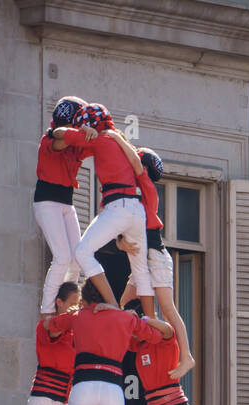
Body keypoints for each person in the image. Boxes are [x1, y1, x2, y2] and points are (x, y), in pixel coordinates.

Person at [54, 103, 152, 309]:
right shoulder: (118, 141)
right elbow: (137, 168)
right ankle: (151, 318)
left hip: (118, 206)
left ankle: (112, 304)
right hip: (136, 208)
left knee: (82, 251)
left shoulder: (98, 139)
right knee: (140, 270)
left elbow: (60, 133)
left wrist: (81, 131)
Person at [119, 148, 194, 377]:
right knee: (122, 304)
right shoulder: (133, 193)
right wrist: (122, 244)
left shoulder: (147, 189)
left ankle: (186, 357)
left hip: (155, 255)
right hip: (141, 259)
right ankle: (143, 341)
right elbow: (122, 234)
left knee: (168, 308)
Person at [33, 96, 90, 317]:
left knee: (77, 258)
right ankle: (48, 310)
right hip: (47, 202)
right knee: (63, 257)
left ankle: (68, 308)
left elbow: (92, 146)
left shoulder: (74, 144)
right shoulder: (49, 139)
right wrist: (81, 131)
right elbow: (61, 142)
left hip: (66, 203)